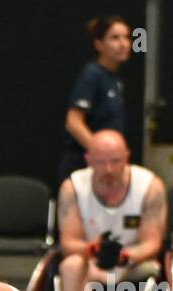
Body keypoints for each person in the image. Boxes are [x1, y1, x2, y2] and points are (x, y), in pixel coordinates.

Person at [56, 130, 167, 291]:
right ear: (88, 160)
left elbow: (152, 243)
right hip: (91, 260)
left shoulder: (150, 187)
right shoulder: (72, 188)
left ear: (127, 156)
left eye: (115, 161)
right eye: (100, 162)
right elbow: (69, 242)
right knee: (70, 266)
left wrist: (123, 256)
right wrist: (94, 250)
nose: (108, 169)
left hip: (133, 260)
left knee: (148, 267)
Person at [56, 15, 131, 186]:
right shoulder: (92, 75)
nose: (123, 43)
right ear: (99, 44)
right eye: (115, 38)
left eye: (126, 37)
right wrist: (101, 153)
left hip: (105, 168)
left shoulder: (116, 80)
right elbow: (73, 122)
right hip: (83, 164)